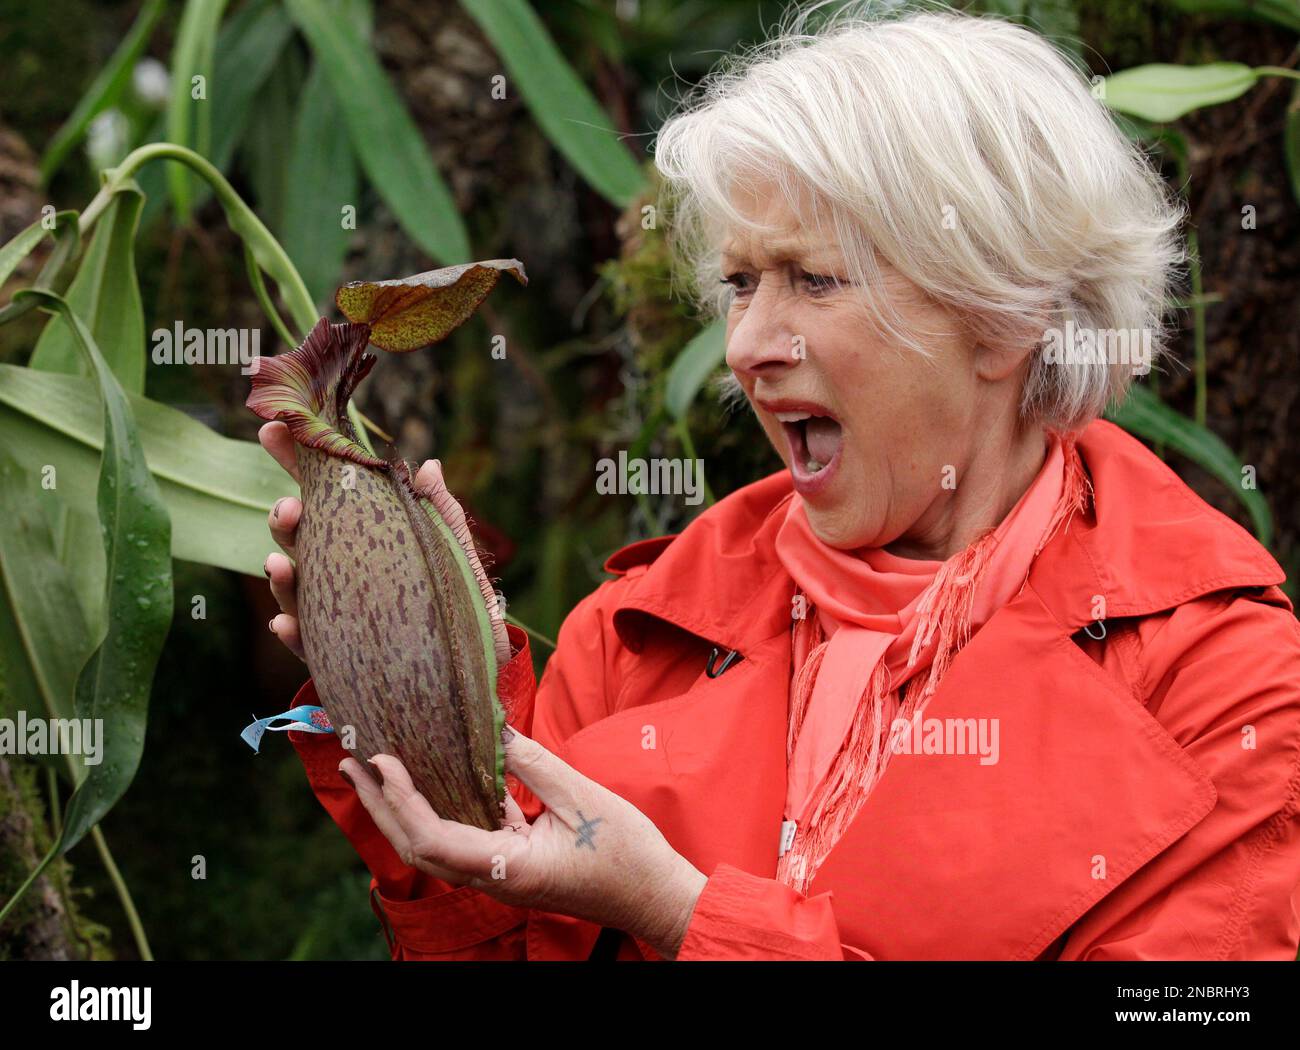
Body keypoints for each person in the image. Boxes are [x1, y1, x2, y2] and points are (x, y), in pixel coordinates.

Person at [257, 6, 1300, 960]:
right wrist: (434, 724)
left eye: (813, 278)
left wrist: (681, 915)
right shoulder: (635, 637)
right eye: (743, 283)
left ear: (1005, 317)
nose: (747, 345)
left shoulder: (1219, 684)